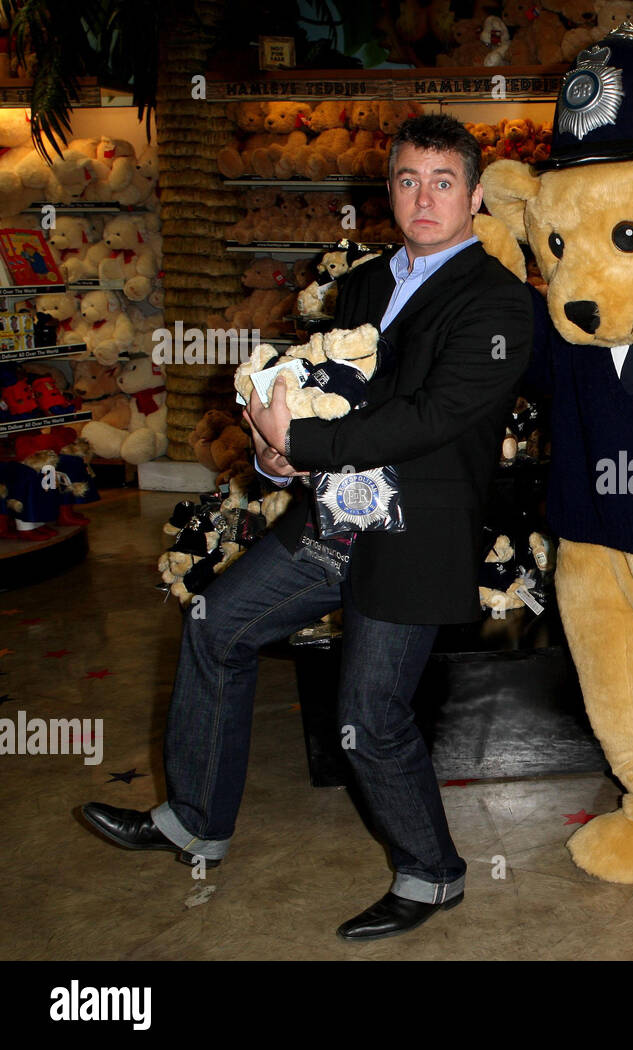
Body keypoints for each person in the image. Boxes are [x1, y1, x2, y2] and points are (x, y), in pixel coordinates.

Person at [80, 114, 533, 940]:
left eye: (442, 183)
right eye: (407, 179)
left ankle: (433, 875)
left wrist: (306, 442)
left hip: (415, 531)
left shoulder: (500, 302)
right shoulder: (361, 284)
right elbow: (315, 382)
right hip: (333, 519)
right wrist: (274, 453)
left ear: (474, 195)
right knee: (217, 624)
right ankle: (194, 821)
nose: (423, 198)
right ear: (387, 186)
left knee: (368, 715)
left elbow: (430, 416)